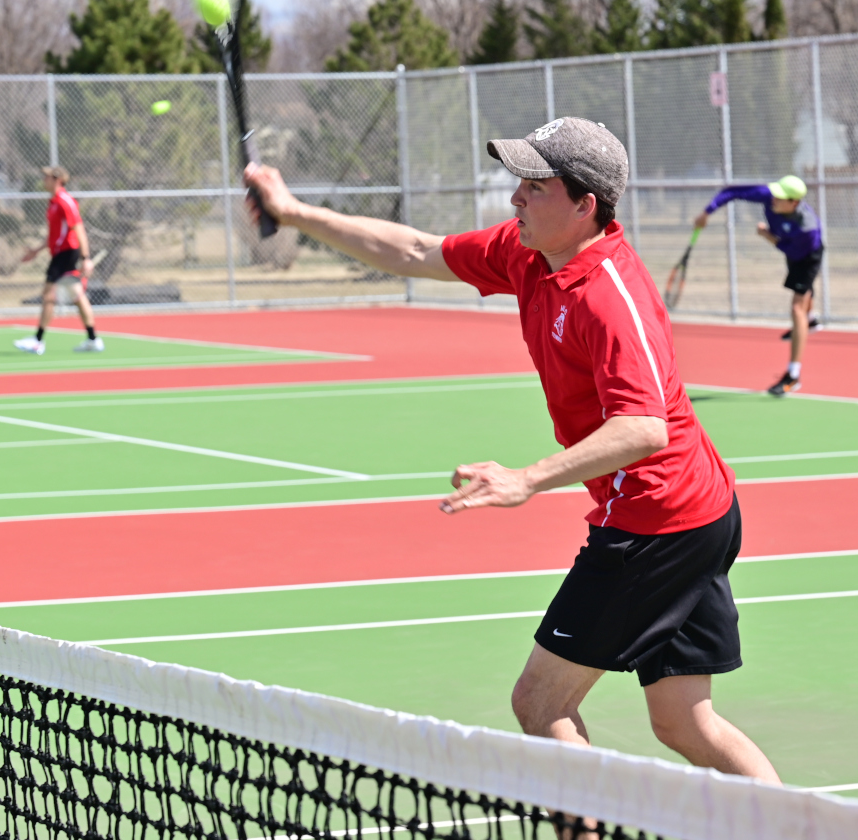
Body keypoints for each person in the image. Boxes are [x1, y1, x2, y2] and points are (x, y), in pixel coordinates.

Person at [243, 117, 779, 784]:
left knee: (540, 702)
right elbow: (413, 250)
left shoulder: (610, 298)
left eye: (535, 186)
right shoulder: (526, 253)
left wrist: (528, 478)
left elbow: (644, 427)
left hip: (657, 522)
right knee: (684, 723)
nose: (515, 199)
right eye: (518, 183)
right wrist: (293, 212)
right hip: (691, 511)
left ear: (585, 206)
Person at [693, 176, 821, 396]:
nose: (773, 199)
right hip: (793, 251)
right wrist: (707, 212)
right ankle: (809, 322)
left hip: (807, 256)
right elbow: (731, 192)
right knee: (804, 302)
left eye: (780, 198)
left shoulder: (808, 229)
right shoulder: (768, 196)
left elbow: (792, 252)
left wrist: (767, 236)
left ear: (794, 203)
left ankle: (793, 375)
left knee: (796, 308)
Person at [15, 166, 103, 355]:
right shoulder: (53, 203)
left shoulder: (65, 202)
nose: (43, 180)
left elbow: (78, 228)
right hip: (60, 253)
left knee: (48, 295)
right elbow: (54, 235)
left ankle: (37, 341)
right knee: (78, 297)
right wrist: (36, 251)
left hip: (67, 253)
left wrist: (86, 258)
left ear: (57, 179)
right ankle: (93, 339)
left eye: (46, 177)